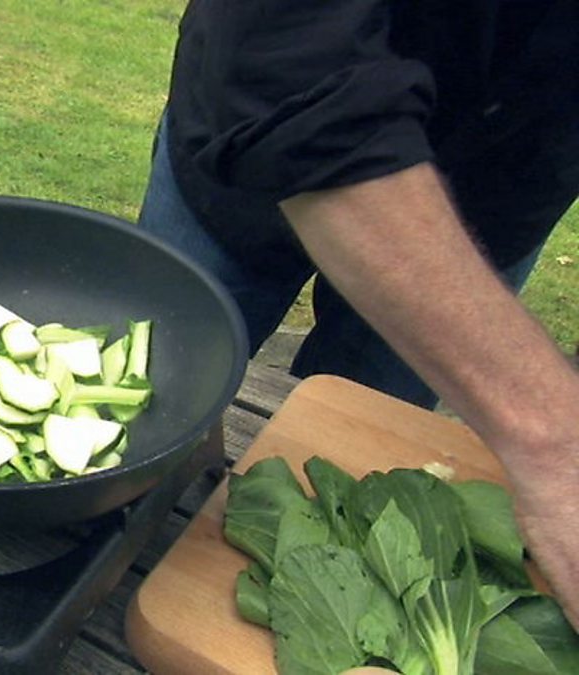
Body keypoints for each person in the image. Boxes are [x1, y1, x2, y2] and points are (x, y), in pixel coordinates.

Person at [139, 0, 579, 628]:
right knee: (143, 422)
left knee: (361, 511)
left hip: (502, 187)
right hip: (249, 142)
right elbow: (286, 59)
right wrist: (554, 441)